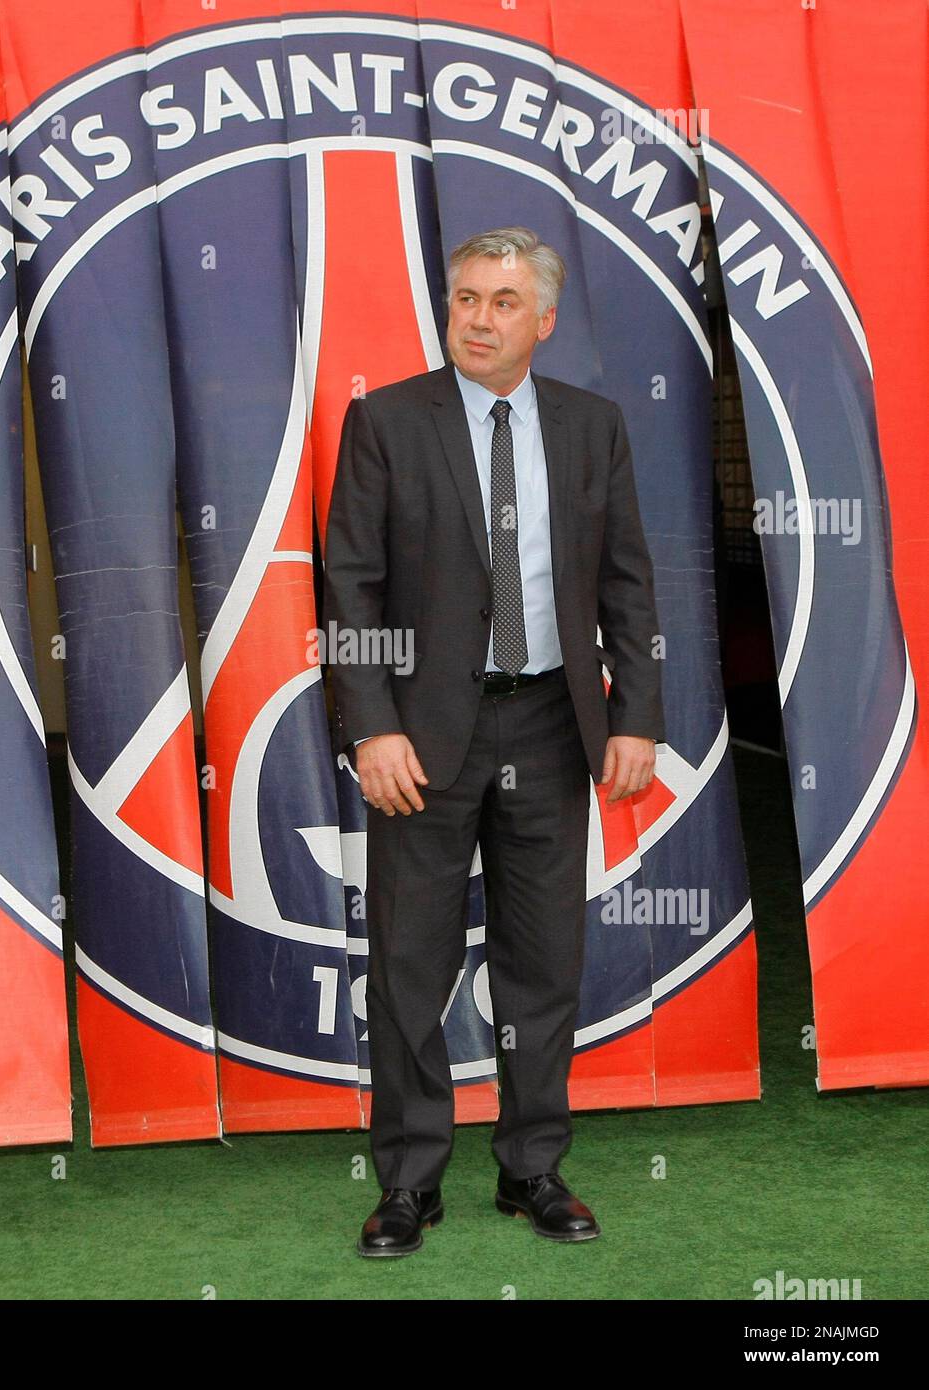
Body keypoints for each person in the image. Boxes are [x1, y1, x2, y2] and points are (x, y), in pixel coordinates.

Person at [322, 226, 666, 1258]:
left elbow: (627, 581)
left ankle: (531, 1169)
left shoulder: (592, 426)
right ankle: (407, 1185)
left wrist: (638, 713)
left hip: (555, 728)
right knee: (409, 964)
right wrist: (372, 727)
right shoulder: (384, 421)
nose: (477, 317)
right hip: (421, 741)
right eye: (465, 297)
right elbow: (348, 584)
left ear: (542, 321)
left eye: (501, 301)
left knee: (542, 963)